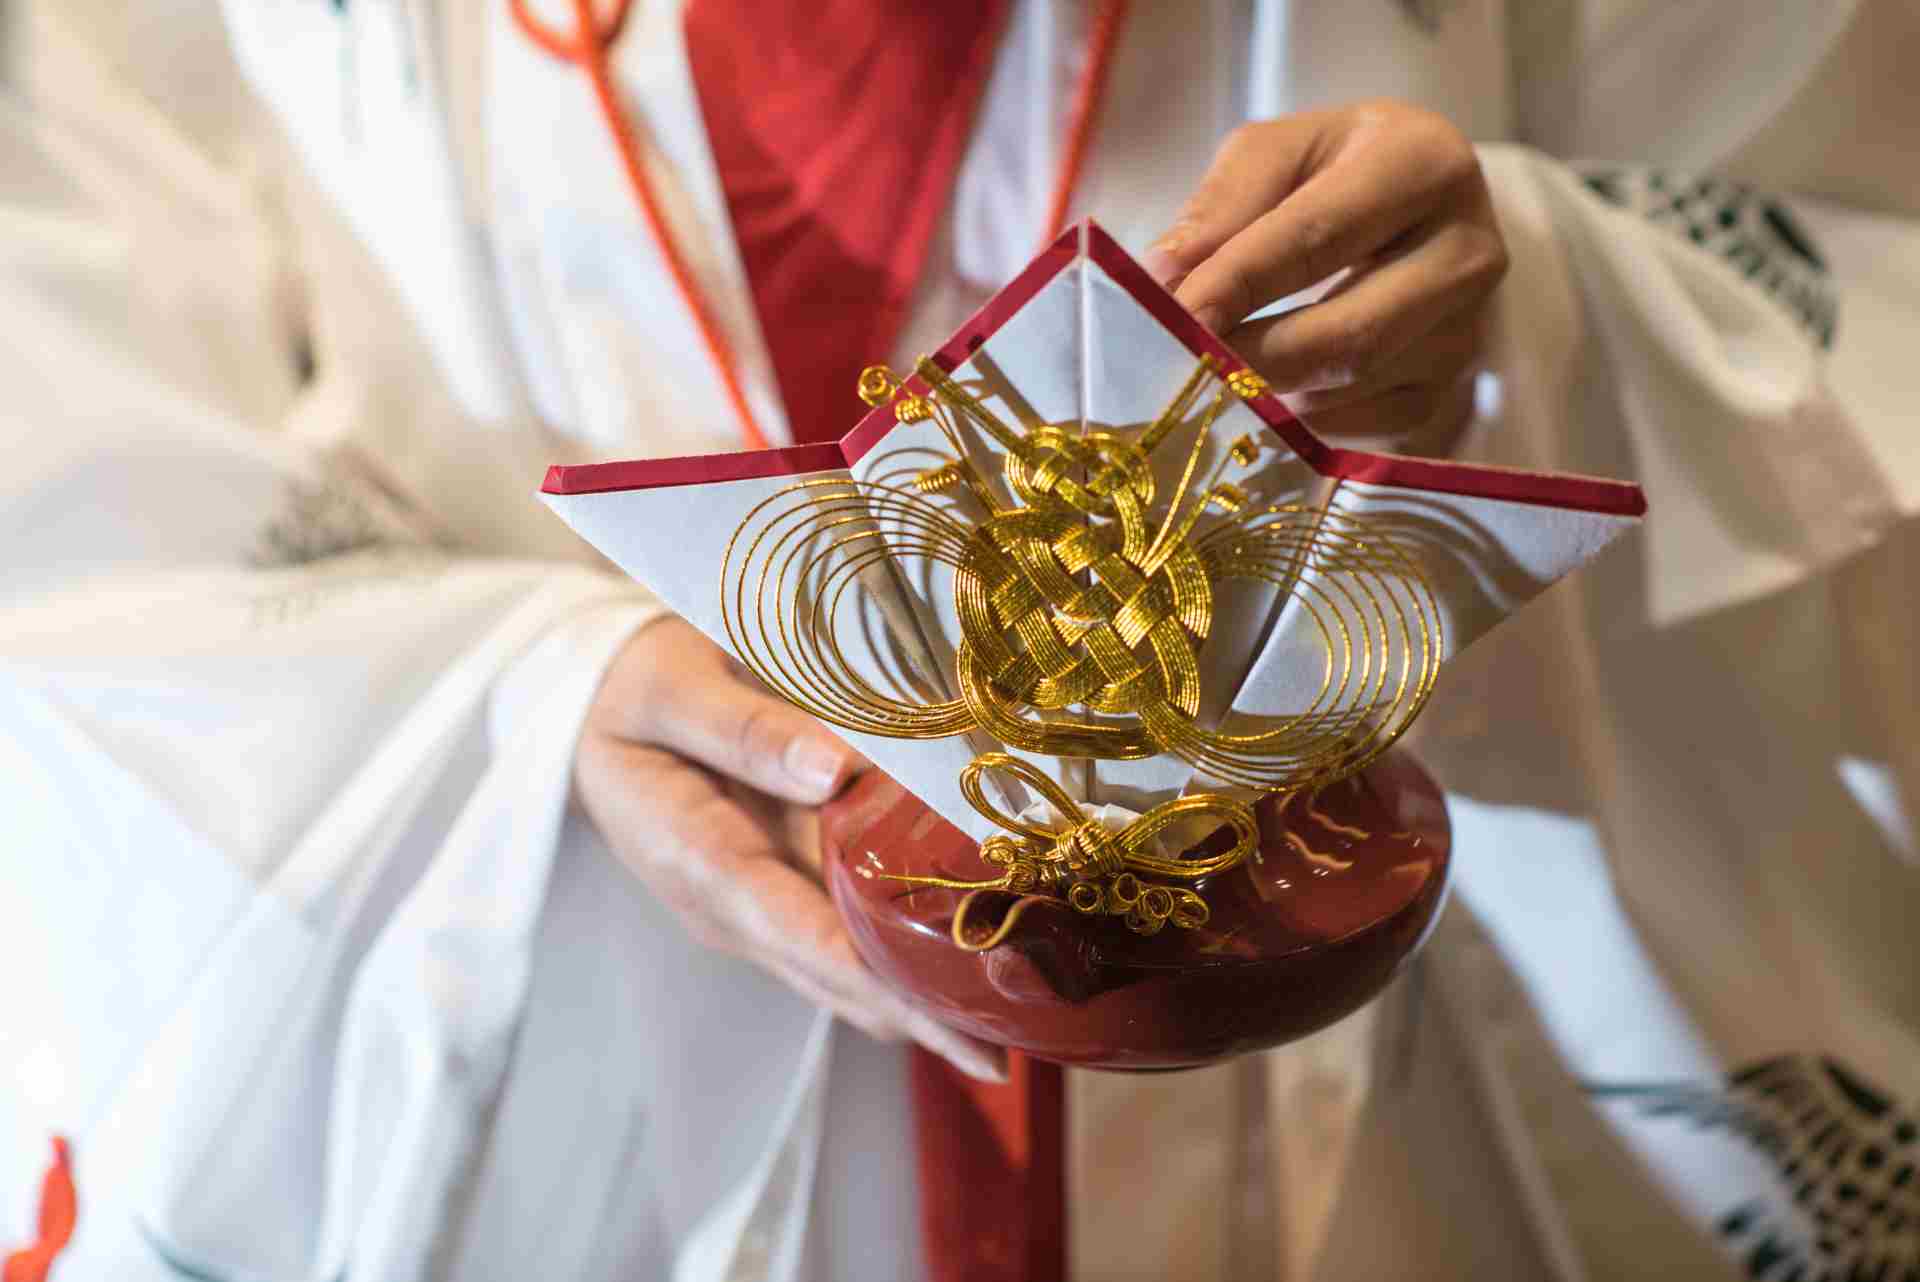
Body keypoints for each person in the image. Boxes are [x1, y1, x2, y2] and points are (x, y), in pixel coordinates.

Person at [1, 1, 1914, 1278]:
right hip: (593, 1014)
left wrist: (1539, 316)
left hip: (1359, 1067)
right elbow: (80, 487)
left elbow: (1850, 231)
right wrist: (513, 708)